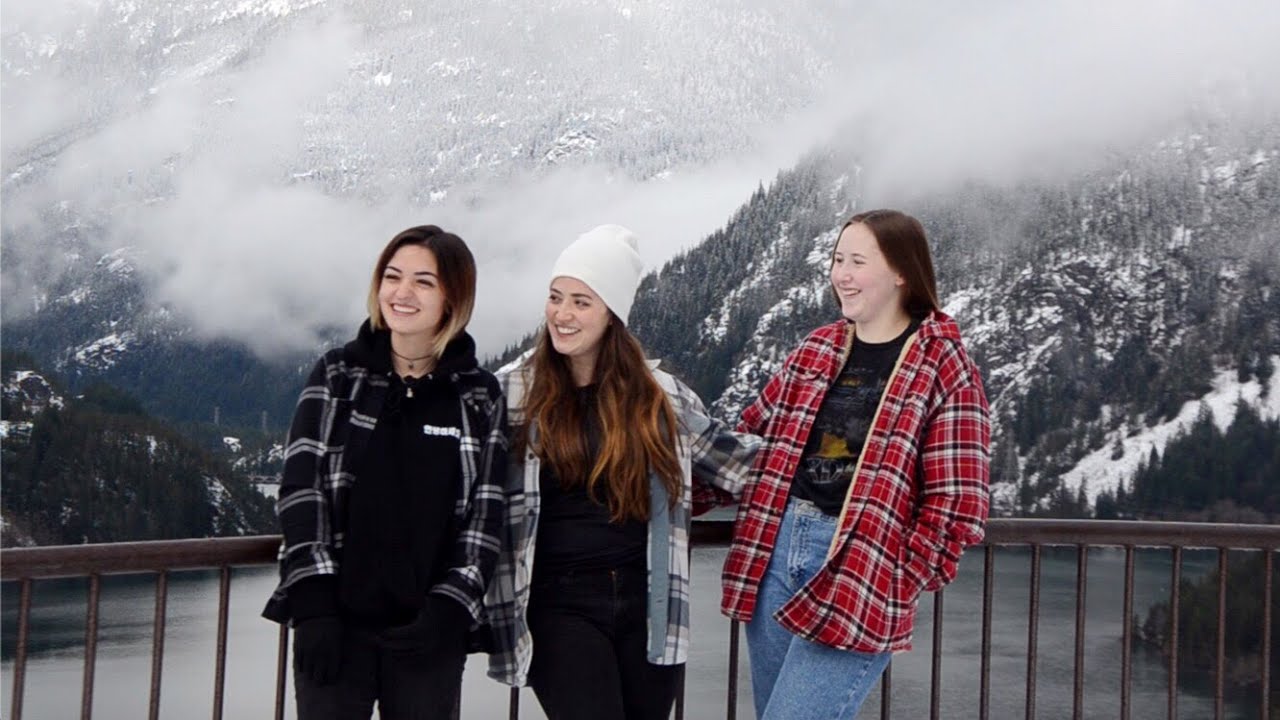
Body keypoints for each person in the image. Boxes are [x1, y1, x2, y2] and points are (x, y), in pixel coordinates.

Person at [720, 209, 991, 719]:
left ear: (900, 272)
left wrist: (897, 575)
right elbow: (748, 440)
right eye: (837, 259)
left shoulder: (943, 364)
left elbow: (958, 504)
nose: (841, 274)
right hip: (776, 551)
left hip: (860, 569)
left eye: (857, 261)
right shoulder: (816, 349)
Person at [484, 224, 759, 720]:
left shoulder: (660, 396)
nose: (562, 315)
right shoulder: (510, 394)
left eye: (581, 302)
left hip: (649, 602)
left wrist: (846, 460)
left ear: (612, 313)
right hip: (558, 602)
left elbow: (740, 466)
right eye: (555, 297)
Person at [262, 225, 508, 719]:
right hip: (335, 623)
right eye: (392, 277)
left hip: (428, 632)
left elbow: (487, 513)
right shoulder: (339, 374)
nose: (401, 293)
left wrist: (450, 609)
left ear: (452, 298)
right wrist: (313, 605)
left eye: (423, 281)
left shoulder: (478, 395)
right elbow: (300, 488)